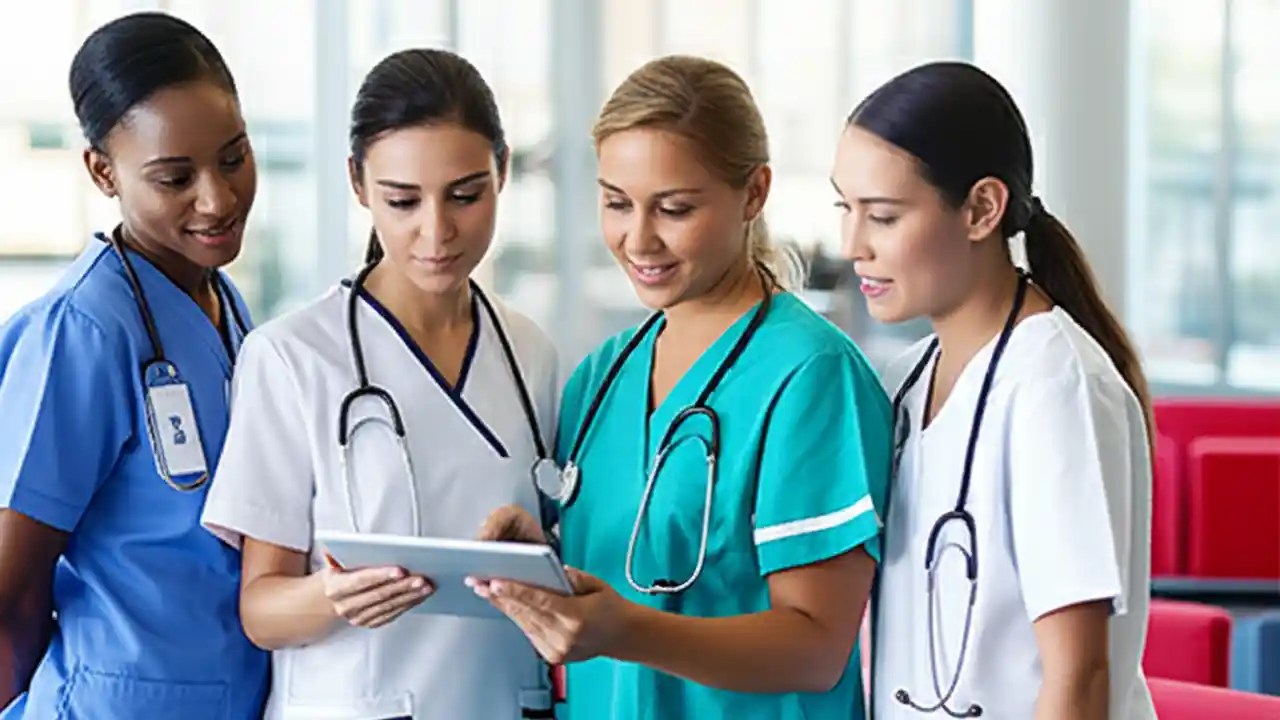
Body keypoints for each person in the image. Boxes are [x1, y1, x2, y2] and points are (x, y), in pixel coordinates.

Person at [473, 55, 892, 719]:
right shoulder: (601, 378)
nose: (639, 239)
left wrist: (625, 630)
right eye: (617, 204)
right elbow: (615, 577)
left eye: (673, 208)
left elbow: (816, 648)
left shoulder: (810, 377)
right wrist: (538, 558)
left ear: (754, 193)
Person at [199, 48, 560, 720]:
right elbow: (260, 608)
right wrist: (333, 598)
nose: (437, 232)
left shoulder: (531, 353)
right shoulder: (290, 358)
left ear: (502, 173)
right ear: (359, 185)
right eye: (402, 201)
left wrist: (544, 556)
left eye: (466, 194)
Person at [830, 61, 1156, 719]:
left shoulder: (1054, 386)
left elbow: (1079, 678)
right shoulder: (907, 379)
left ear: (982, 208)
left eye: (884, 216)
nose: (852, 245)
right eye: (846, 209)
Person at [0, 12, 269, 719]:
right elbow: (11, 589)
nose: (217, 199)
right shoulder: (83, 329)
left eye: (234, 157)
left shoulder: (226, 305)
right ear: (102, 170)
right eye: (175, 178)